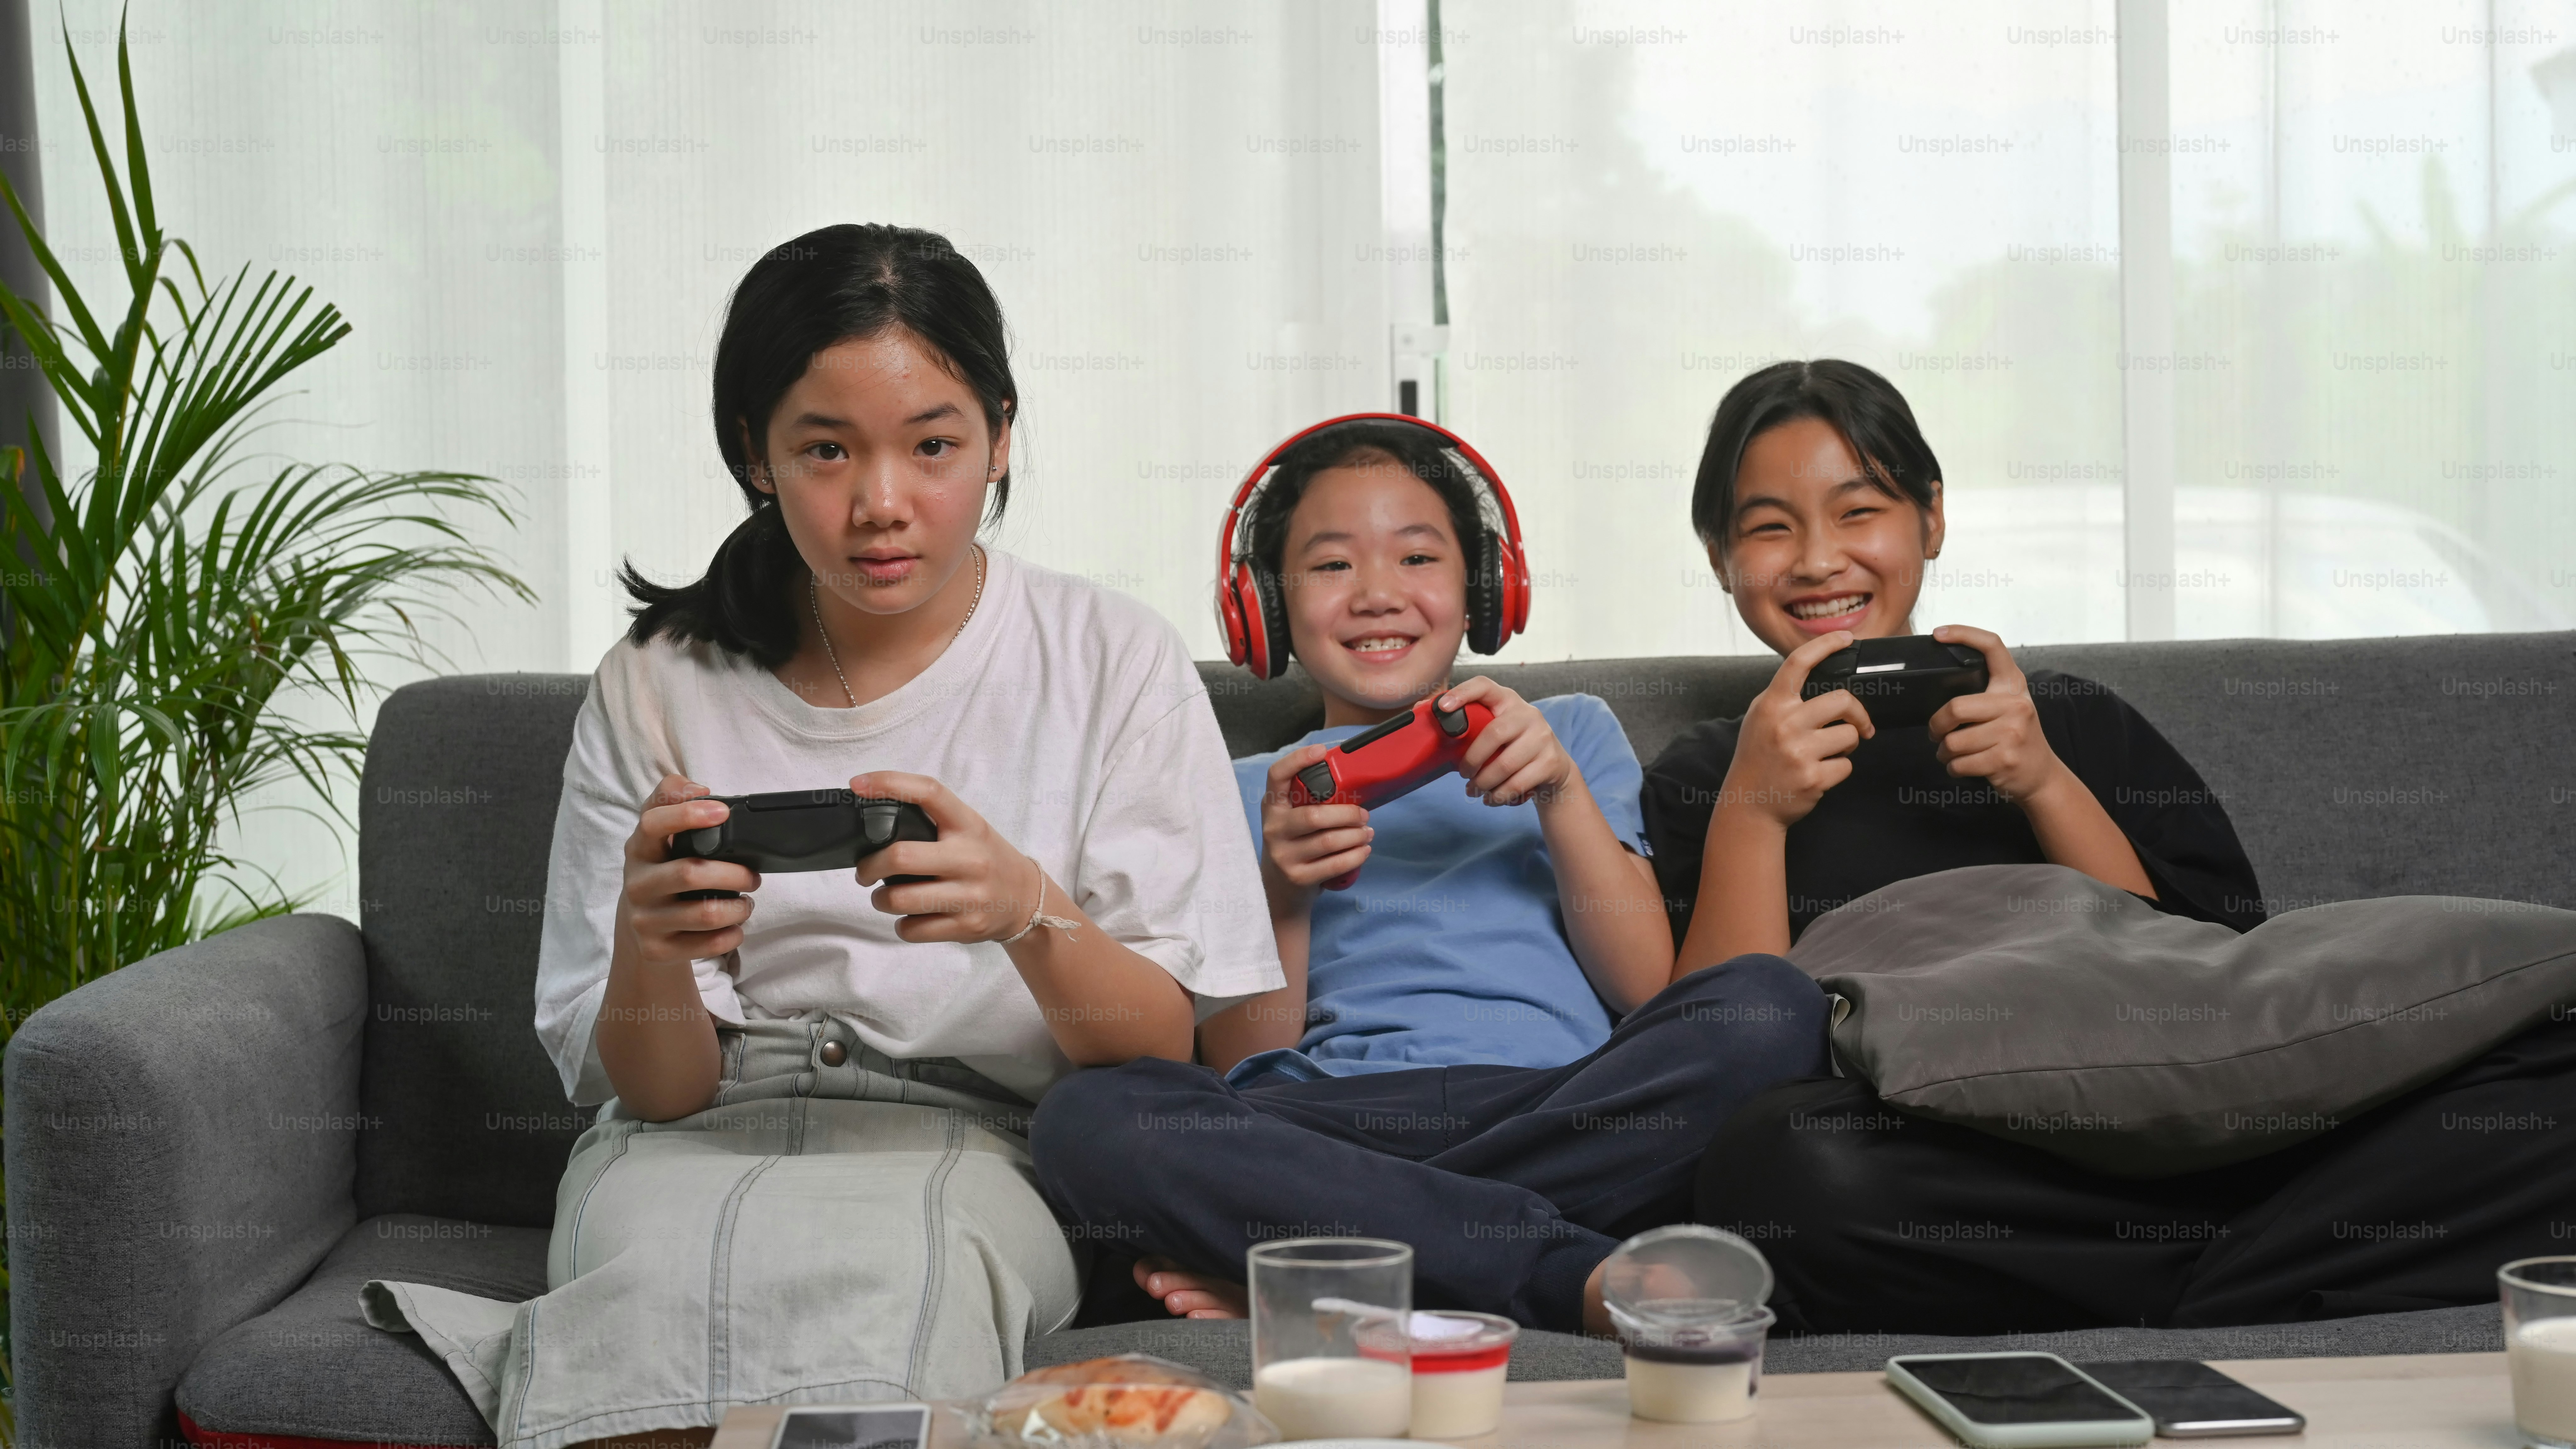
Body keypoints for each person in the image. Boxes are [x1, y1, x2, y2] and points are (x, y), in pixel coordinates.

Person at [359, 224, 1281, 1448]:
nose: (880, 504)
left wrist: (1026, 910)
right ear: (756, 455)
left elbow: (1162, 1047)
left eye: (935, 446)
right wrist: (650, 942)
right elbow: (665, 1091)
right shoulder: (658, 678)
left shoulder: (1110, 660)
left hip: (973, 1140)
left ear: (1002, 437)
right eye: (825, 451)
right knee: (664, 1295)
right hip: (689, 1141)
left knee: (902, 1295)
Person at [1661, 359, 2576, 1333]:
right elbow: (1719, 1051)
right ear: (1721, 557)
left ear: (1930, 518)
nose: (1817, 560)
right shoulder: (1706, 772)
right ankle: (2275, 1276)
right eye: (1769, 528)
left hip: (2209, 1141)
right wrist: (1754, 810)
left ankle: (2207, 1278)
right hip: (1965, 1171)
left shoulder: (2076, 722)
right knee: (1778, 1168)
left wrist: (2045, 781)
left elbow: (2227, 991)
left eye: (1860, 511)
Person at [1031, 415, 1830, 1335]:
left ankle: (1336, 1257)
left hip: (1560, 1102)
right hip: (1326, 1121)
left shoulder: (1569, 730)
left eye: (1418, 559)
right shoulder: (1231, 784)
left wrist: (1560, 794)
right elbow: (1246, 1057)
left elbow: (1649, 988)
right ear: (1266, 602)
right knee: (1089, 1117)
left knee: (1773, 1006)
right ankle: (1563, 1269)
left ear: (1486, 587)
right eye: (1331, 566)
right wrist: (1281, 887)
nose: (1377, 594)